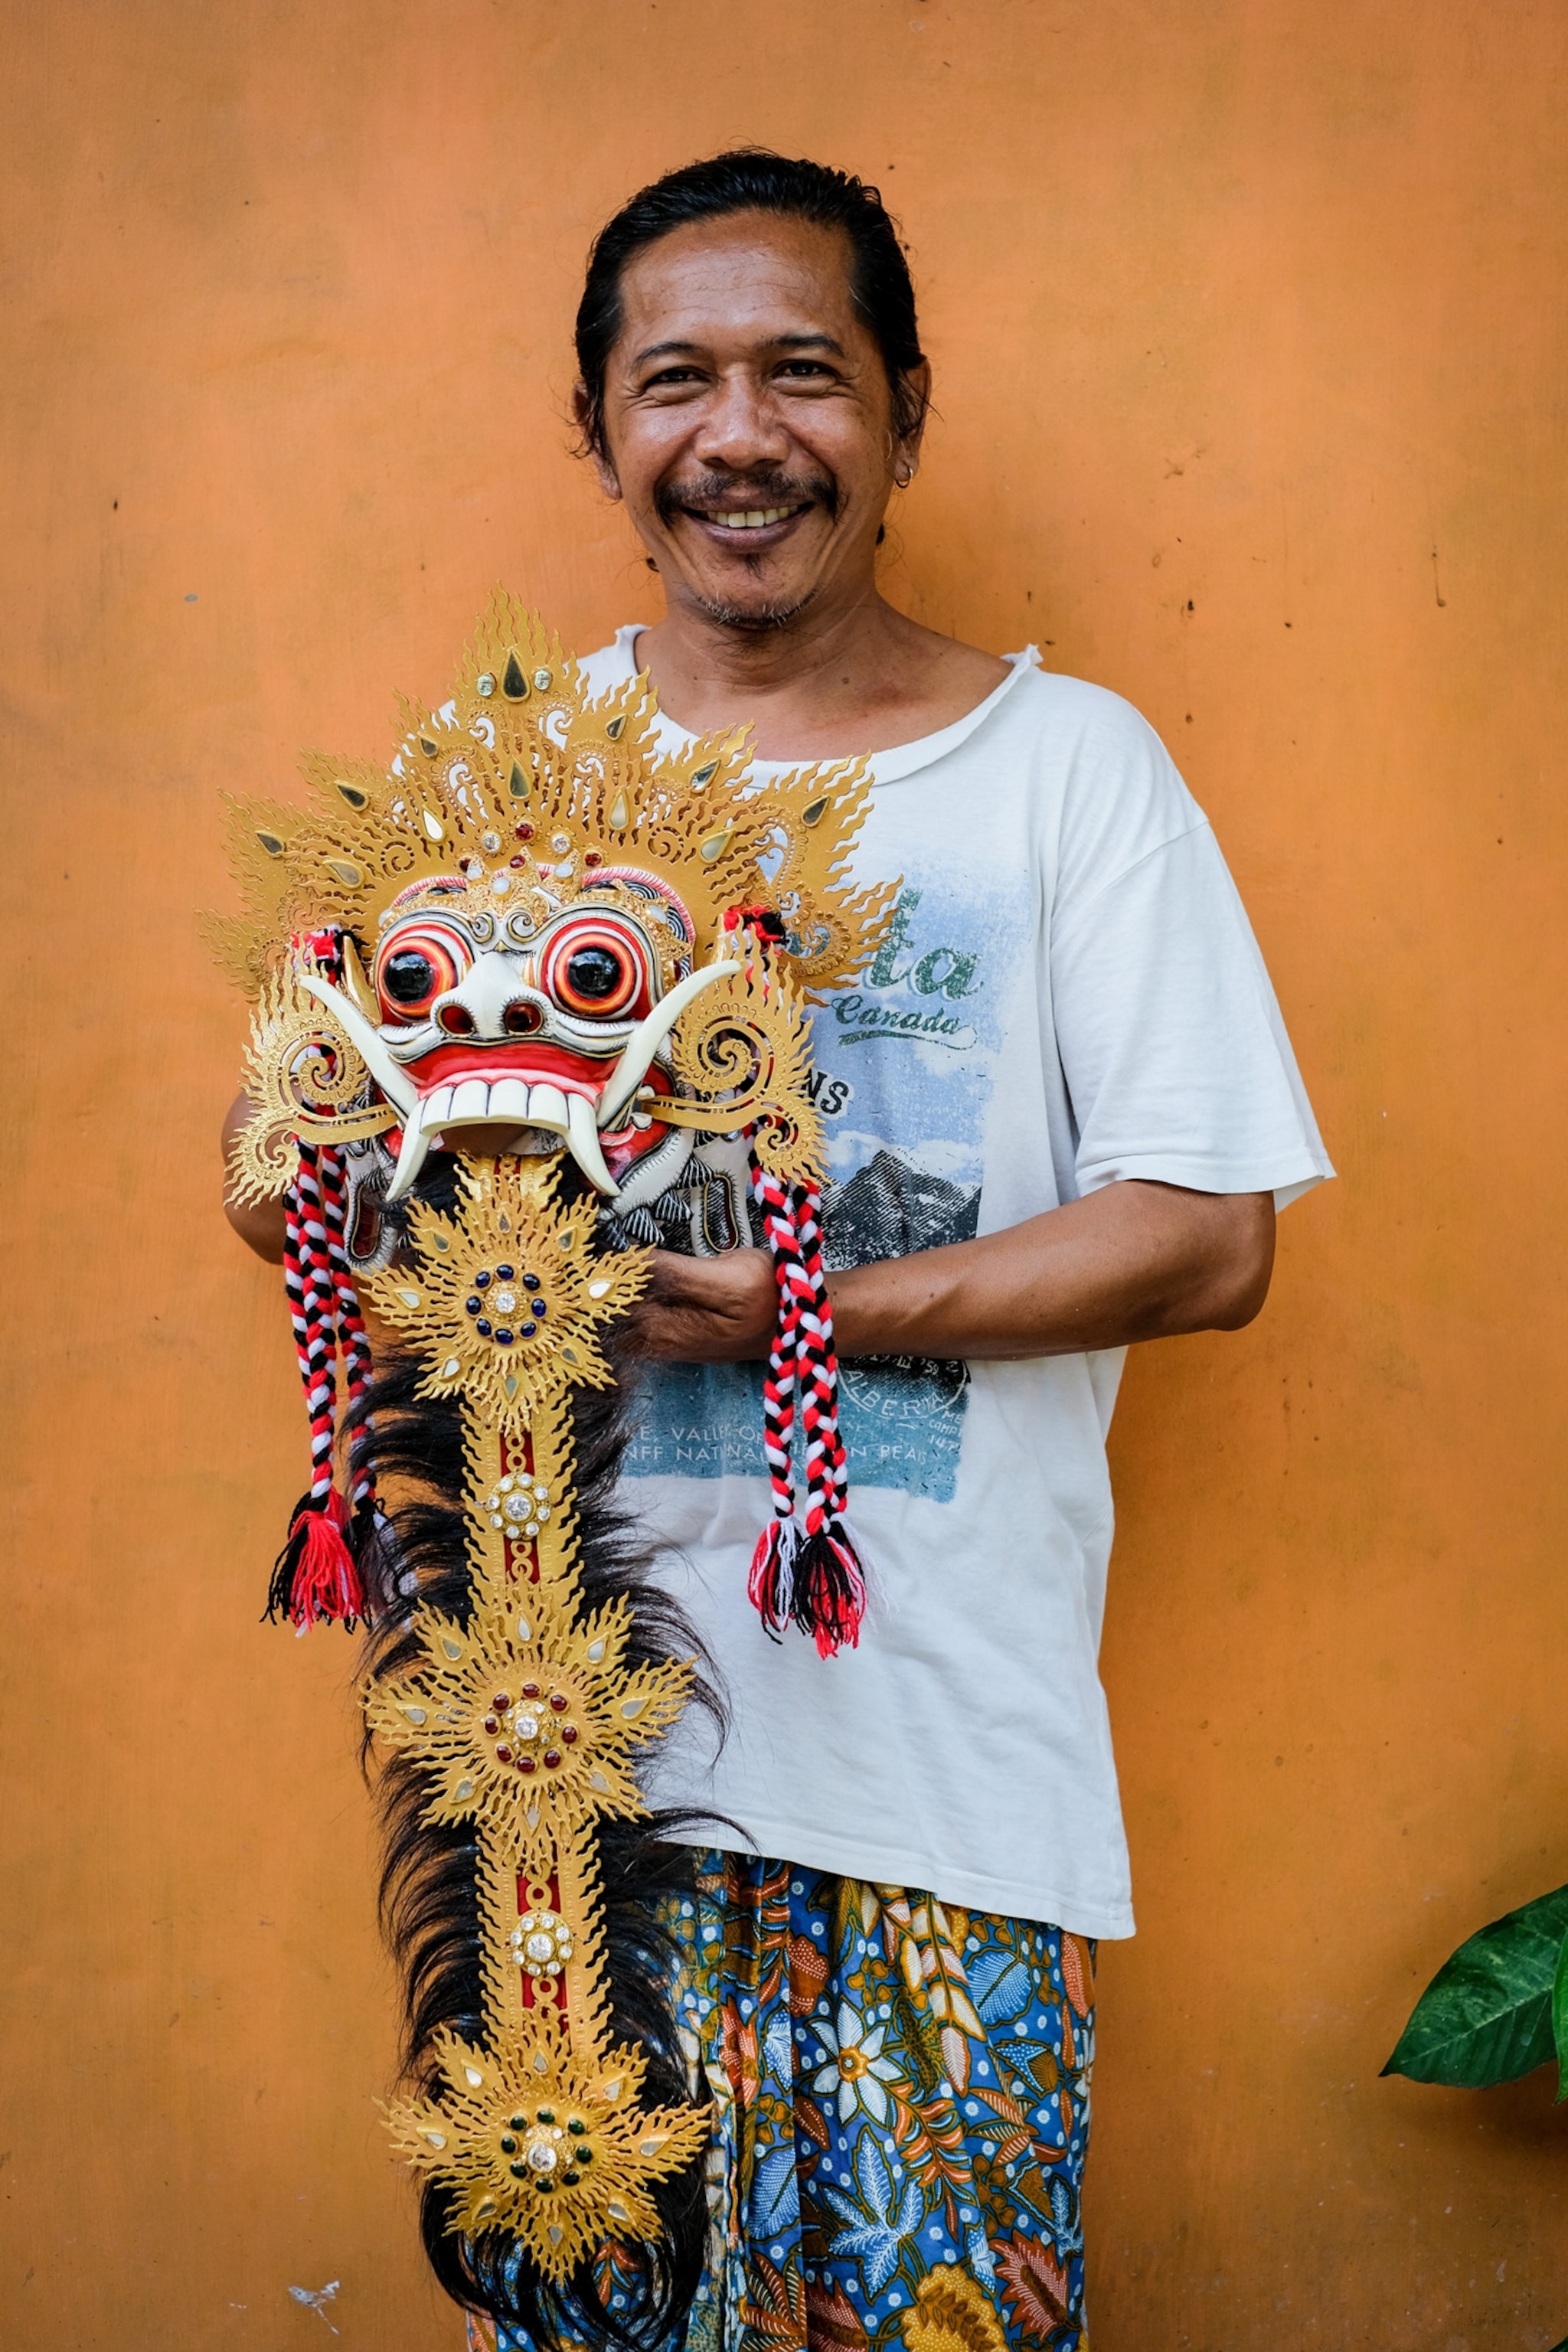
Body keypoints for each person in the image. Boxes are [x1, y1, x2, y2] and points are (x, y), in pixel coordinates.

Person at [227, 150, 1331, 2352]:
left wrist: (797, 1310)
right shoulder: (503, 781)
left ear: (906, 415)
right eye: (677, 381)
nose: (742, 434)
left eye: (805, 376)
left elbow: (1210, 1243)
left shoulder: (1069, 776)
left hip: (949, 1786)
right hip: (566, 1823)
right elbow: (305, 1166)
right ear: (601, 433)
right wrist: (334, 1187)